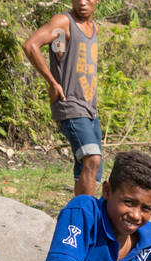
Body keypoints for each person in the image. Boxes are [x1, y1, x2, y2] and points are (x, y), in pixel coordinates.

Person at [24, 0, 104, 197]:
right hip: (69, 105)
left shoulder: (94, 28)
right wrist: (52, 82)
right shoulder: (63, 22)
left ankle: (79, 218)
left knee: (90, 169)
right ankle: (86, 216)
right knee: (91, 158)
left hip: (89, 109)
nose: (83, 2)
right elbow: (31, 45)